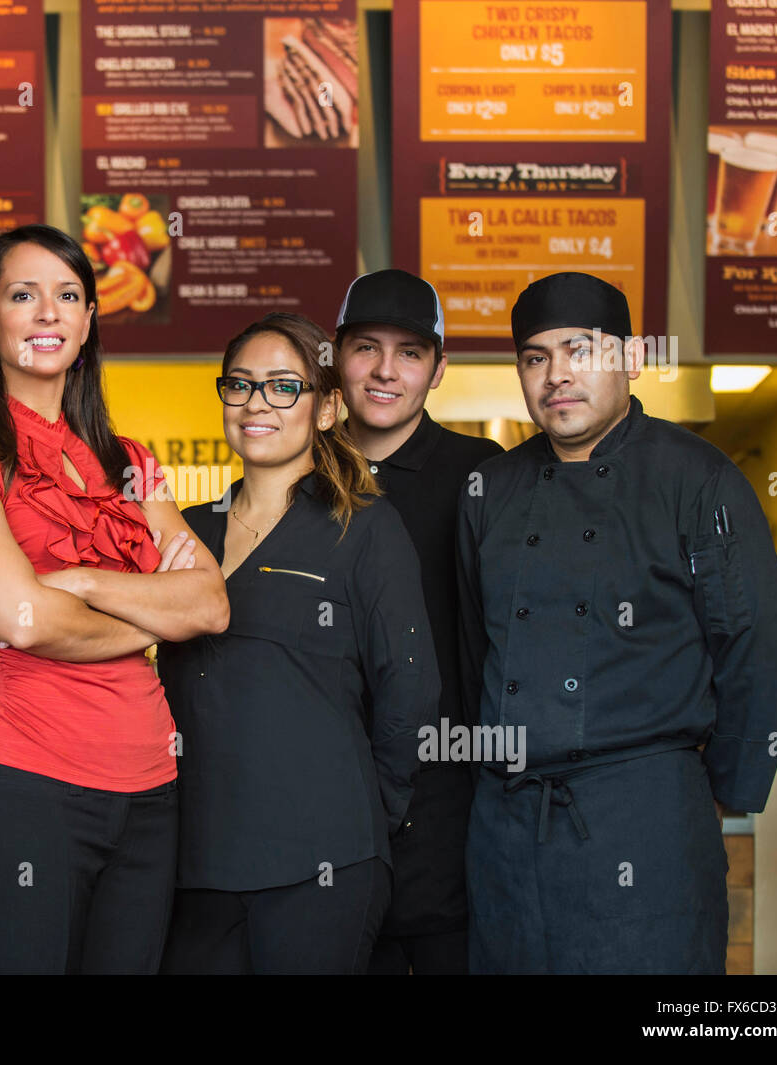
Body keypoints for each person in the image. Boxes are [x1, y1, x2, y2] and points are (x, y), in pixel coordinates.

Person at [457, 271, 777, 974]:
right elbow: (472, 651)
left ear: (632, 359)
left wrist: (714, 794)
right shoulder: (489, 490)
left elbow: (761, 646)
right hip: (505, 828)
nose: (556, 375)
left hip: (642, 822)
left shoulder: (698, 478)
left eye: (580, 349)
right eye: (534, 356)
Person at [0, 223, 228, 975]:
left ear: (89, 319)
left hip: (153, 796)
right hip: (32, 795)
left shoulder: (130, 461)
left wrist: (85, 584)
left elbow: (211, 604)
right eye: (23, 295)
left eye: (67, 296)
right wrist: (154, 606)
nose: (48, 313)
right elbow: (25, 620)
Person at [156, 312, 440, 974]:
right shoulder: (184, 532)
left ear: (326, 407)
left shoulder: (362, 527)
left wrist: (369, 810)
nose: (257, 403)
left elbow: (411, 685)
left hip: (323, 861)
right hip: (192, 865)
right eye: (241, 384)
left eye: (284, 386)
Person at [334, 269, 502, 974]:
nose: (384, 370)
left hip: (449, 805)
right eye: (365, 347)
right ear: (335, 358)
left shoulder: (482, 472)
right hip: (327, 797)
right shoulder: (297, 471)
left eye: (409, 352)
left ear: (438, 369)